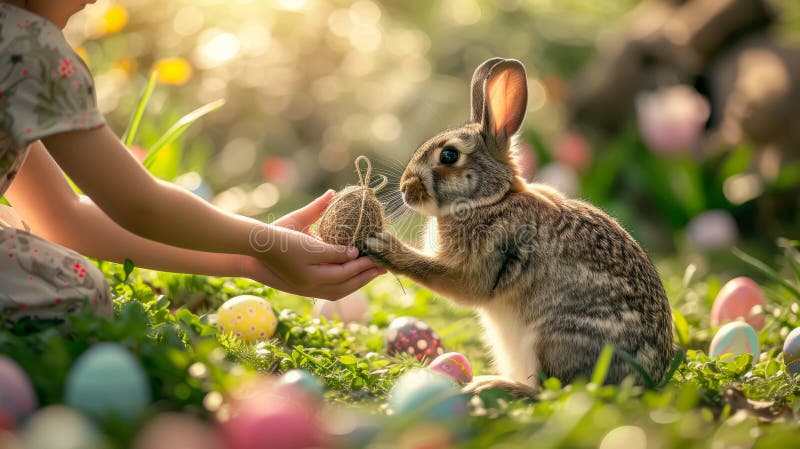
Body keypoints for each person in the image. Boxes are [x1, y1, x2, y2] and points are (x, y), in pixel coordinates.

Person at [0, 0, 384, 321]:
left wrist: (249, 259)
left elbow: (62, 217)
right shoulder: (33, 50)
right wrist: (263, 242)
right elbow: (141, 205)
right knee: (77, 291)